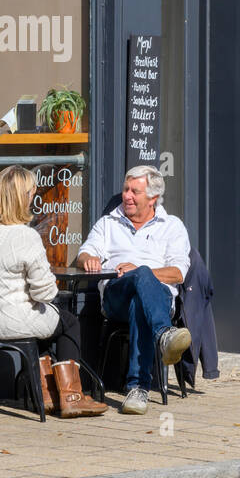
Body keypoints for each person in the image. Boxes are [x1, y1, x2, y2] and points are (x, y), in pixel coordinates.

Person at [0, 165, 106, 418]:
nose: (33, 198)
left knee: (47, 322)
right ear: (21, 197)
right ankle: (71, 397)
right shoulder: (26, 237)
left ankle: (47, 394)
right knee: (67, 322)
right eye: (31, 194)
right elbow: (45, 293)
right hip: (14, 321)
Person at [76, 165, 192, 414]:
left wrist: (142, 272)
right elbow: (85, 252)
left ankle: (137, 390)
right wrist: (88, 258)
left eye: (134, 191)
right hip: (115, 296)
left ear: (152, 198)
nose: (126, 195)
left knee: (141, 297)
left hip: (156, 299)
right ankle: (164, 335)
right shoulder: (109, 222)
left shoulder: (172, 226)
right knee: (140, 278)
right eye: (125, 189)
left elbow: (178, 273)